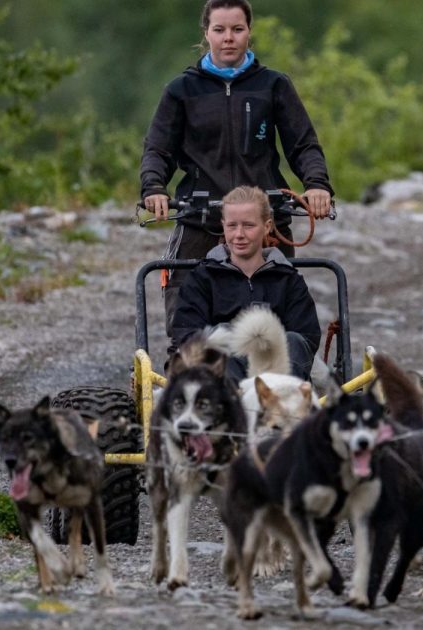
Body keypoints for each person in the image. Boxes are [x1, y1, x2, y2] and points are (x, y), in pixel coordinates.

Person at [139, 0, 334, 338]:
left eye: (237, 29)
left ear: (248, 32)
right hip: (201, 215)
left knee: (284, 307)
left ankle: (292, 372)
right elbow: (158, 149)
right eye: (220, 30)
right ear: (207, 34)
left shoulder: (273, 86)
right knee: (184, 308)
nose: (228, 37)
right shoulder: (181, 91)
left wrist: (317, 185)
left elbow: (303, 145)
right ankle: (185, 370)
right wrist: (154, 188)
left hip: (265, 217)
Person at [170, 185, 319, 382]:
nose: (239, 234)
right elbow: (186, 335)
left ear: (267, 227)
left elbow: (306, 338)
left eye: (248, 225)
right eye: (232, 226)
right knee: (218, 339)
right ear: (223, 225)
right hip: (220, 381)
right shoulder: (202, 278)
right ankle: (236, 405)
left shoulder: (287, 279)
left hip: (278, 377)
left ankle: (279, 406)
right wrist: (233, 337)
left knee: (293, 340)